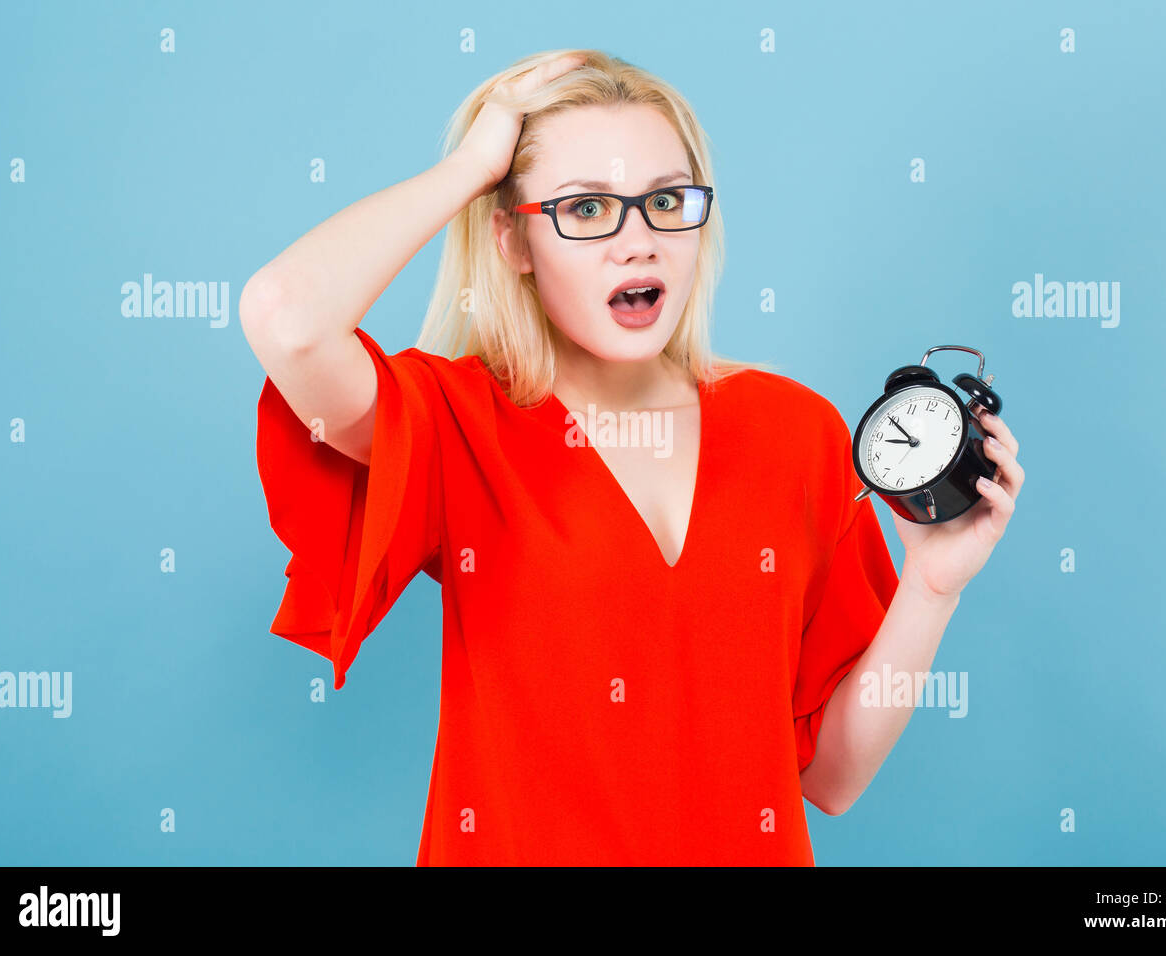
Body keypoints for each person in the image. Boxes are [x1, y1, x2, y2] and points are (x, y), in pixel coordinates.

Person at [240, 49, 1024, 866]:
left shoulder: (796, 430)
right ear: (512, 238)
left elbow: (832, 776)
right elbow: (286, 316)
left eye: (663, 201)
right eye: (585, 209)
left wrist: (931, 589)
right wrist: (475, 164)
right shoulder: (456, 423)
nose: (638, 242)